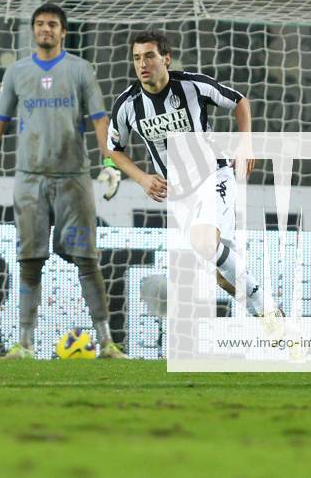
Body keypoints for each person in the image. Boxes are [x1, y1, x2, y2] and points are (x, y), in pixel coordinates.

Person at [0, 3, 127, 360]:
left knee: (87, 259)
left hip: (74, 178)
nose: (45, 30)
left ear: (63, 31)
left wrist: (108, 162)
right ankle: (24, 344)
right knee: (29, 260)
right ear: (33, 30)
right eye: (39, 24)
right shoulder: (17, 72)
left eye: (52, 24)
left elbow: (100, 119)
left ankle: (107, 343)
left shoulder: (81, 70)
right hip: (30, 179)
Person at [106, 31, 279, 323]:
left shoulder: (191, 85)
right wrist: (142, 178)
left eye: (149, 56)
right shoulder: (127, 105)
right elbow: (114, 150)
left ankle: (268, 308)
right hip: (179, 195)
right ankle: (270, 319)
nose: (142, 63)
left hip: (214, 176)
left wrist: (246, 143)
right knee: (223, 276)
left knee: (204, 243)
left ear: (166, 59)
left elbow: (239, 101)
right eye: (137, 58)